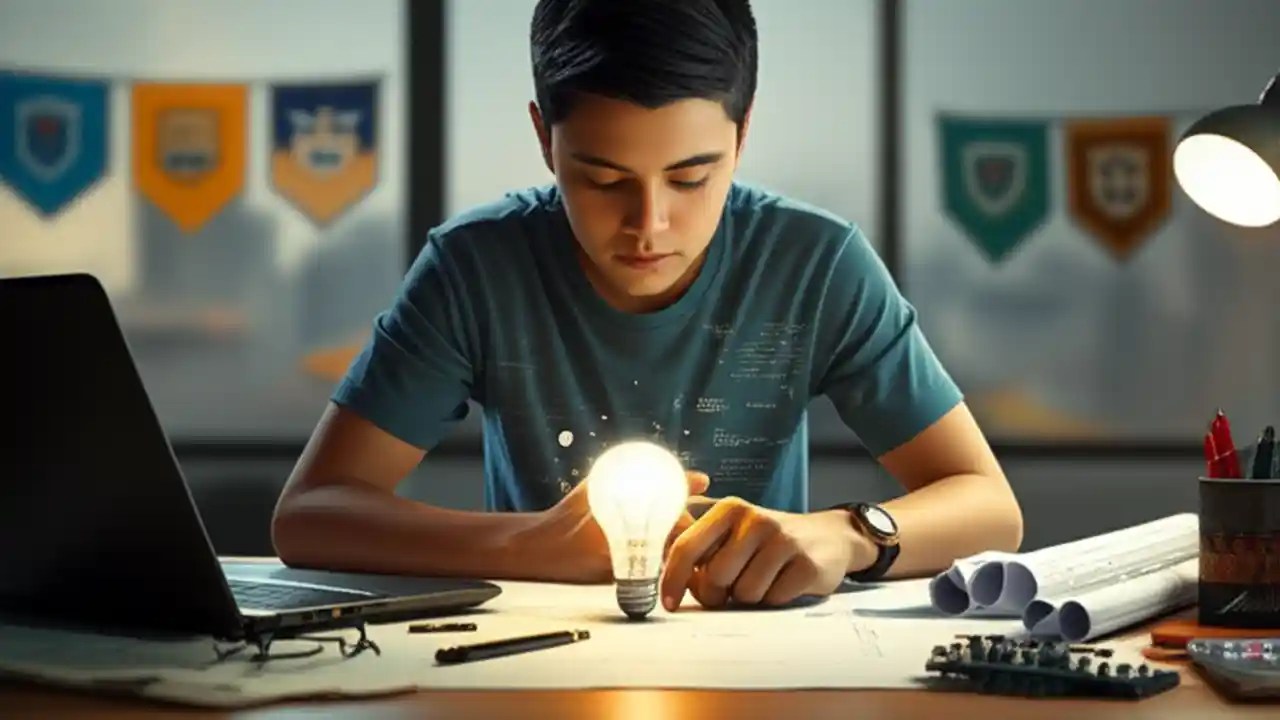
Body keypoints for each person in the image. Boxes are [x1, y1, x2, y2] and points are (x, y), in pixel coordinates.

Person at [272, 0, 1023, 613]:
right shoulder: (475, 268)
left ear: (742, 135)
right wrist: (527, 544)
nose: (649, 226)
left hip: (759, 657)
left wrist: (849, 535)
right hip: (537, 657)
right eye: (603, 180)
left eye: (691, 178)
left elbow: (990, 507)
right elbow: (309, 514)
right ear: (544, 139)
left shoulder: (814, 264)